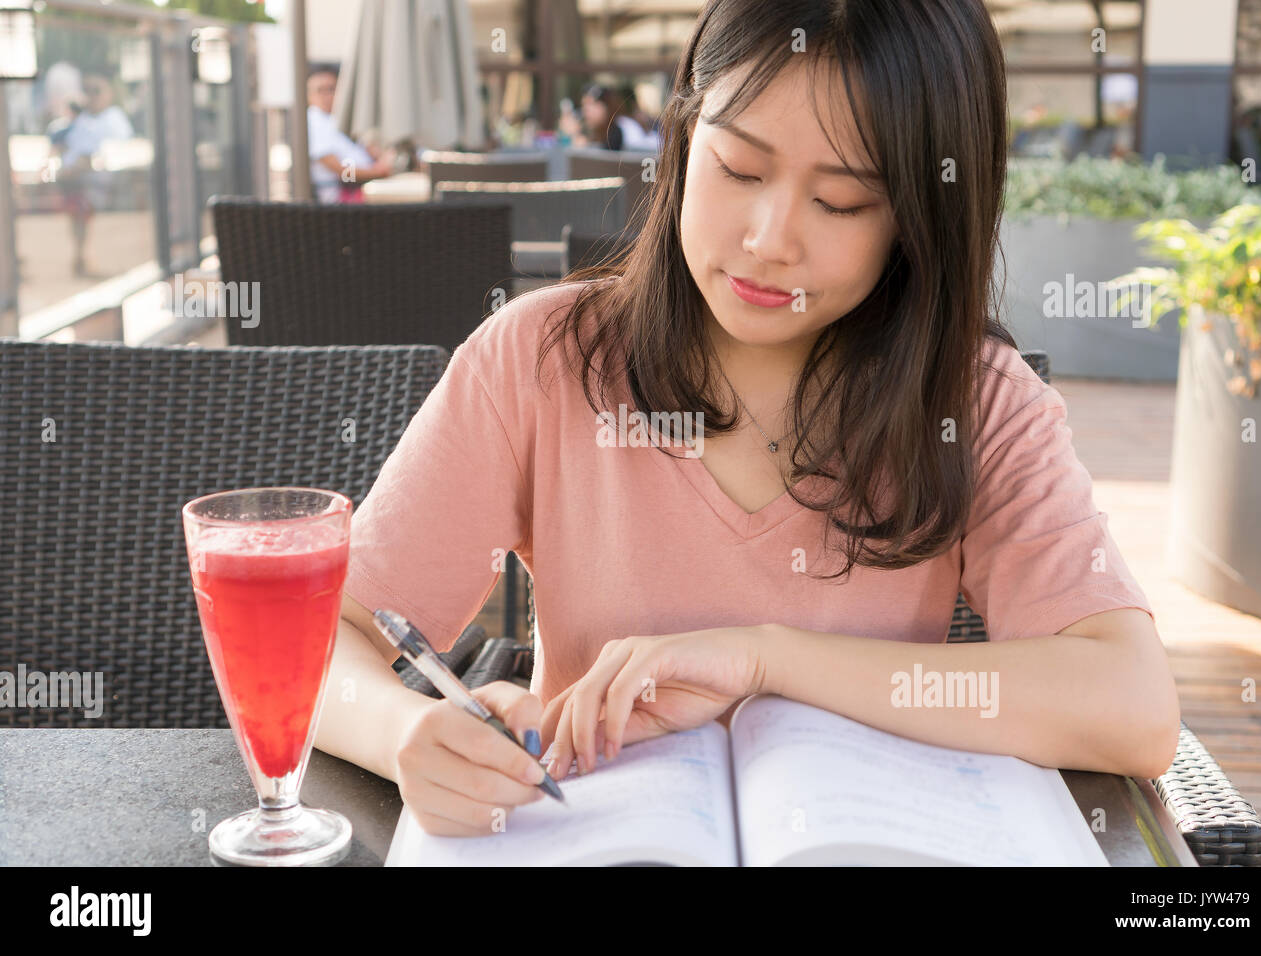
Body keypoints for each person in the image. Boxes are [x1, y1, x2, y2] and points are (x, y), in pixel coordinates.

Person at [314, 0, 1179, 837]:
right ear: (686, 142)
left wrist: (768, 658)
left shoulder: (975, 405)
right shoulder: (539, 361)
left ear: (918, 221)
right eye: (739, 167)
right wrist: (403, 735)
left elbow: (1132, 707)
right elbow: (322, 646)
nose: (771, 238)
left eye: (840, 201)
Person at [52, 72, 132, 277]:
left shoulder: (112, 119)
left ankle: (82, 256)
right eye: (87, 91)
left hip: (94, 181)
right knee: (77, 219)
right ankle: (80, 256)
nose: (91, 97)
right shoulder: (78, 120)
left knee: (84, 219)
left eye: (96, 91)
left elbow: (113, 147)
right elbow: (63, 148)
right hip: (75, 181)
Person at [305, 63, 393, 203]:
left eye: (332, 89)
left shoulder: (338, 118)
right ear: (309, 94)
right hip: (344, 197)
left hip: (364, 188)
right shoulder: (313, 121)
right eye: (320, 90)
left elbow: (368, 148)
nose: (327, 95)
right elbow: (343, 172)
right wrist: (380, 173)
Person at [560, 83, 661, 152]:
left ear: (607, 106)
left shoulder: (620, 127)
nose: (586, 110)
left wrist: (575, 136)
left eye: (592, 104)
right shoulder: (602, 128)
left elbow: (606, 161)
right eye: (584, 105)